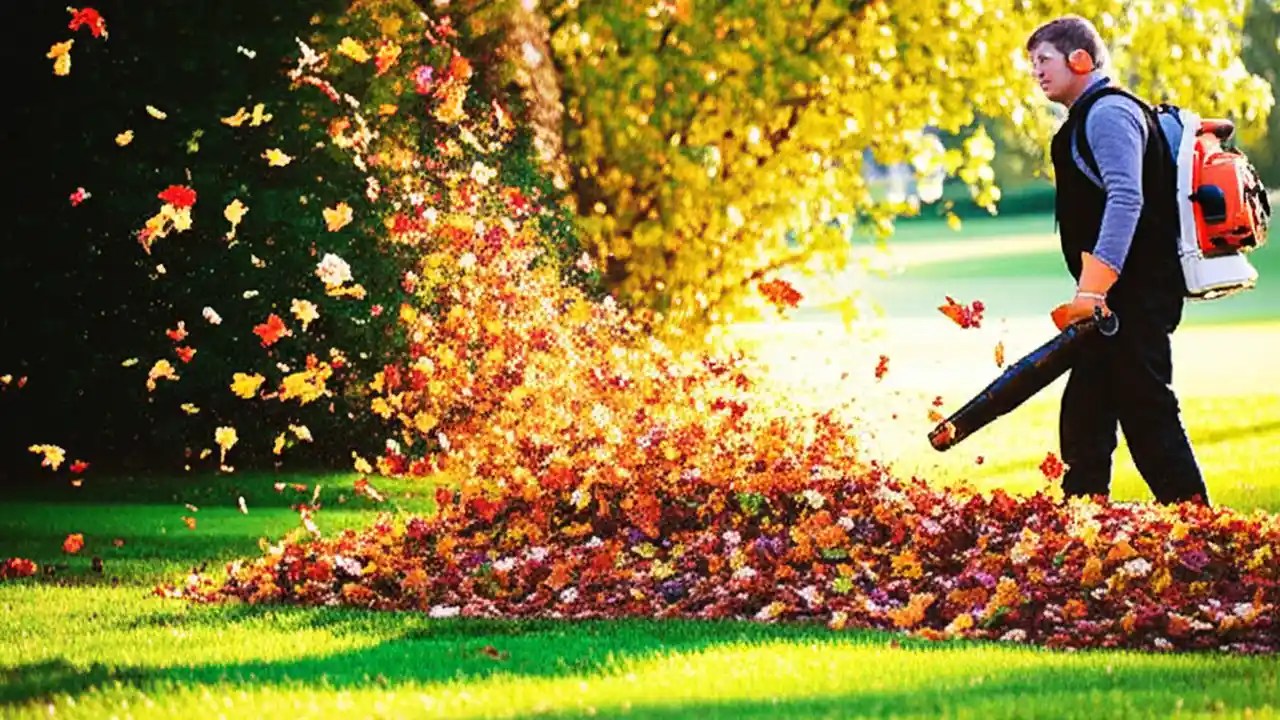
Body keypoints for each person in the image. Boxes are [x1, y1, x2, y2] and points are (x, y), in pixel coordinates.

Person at [1026, 15, 1209, 505]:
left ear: (1079, 59)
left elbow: (1126, 198)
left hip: (1134, 295)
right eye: (1033, 64)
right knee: (1086, 413)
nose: (1037, 72)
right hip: (1110, 301)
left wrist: (1093, 289)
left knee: (1147, 410)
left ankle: (1204, 531)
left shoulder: (1107, 113)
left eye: (1043, 60)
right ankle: (1082, 525)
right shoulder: (1085, 117)